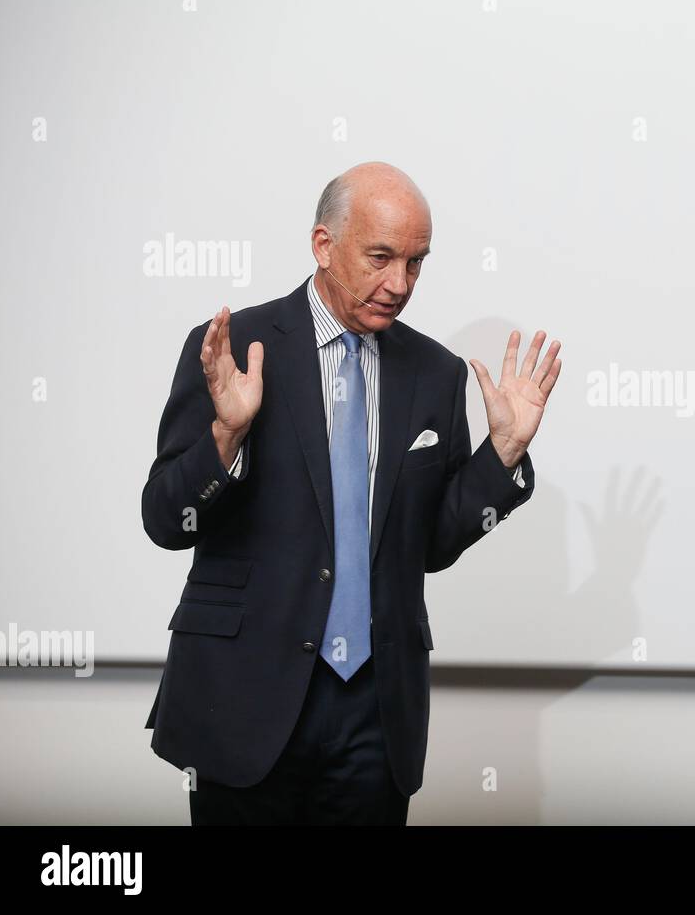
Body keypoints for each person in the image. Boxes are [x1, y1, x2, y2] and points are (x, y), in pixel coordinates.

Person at [142, 161, 562, 824]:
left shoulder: (434, 373)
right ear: (323, 245)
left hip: (376, 712)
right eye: (381, 257)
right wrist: (226, 435)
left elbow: (429, 546)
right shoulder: (237, 347)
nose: (399, 285)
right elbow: (166, 519)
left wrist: (501, 453)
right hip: (245, 697)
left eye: (416, 264)